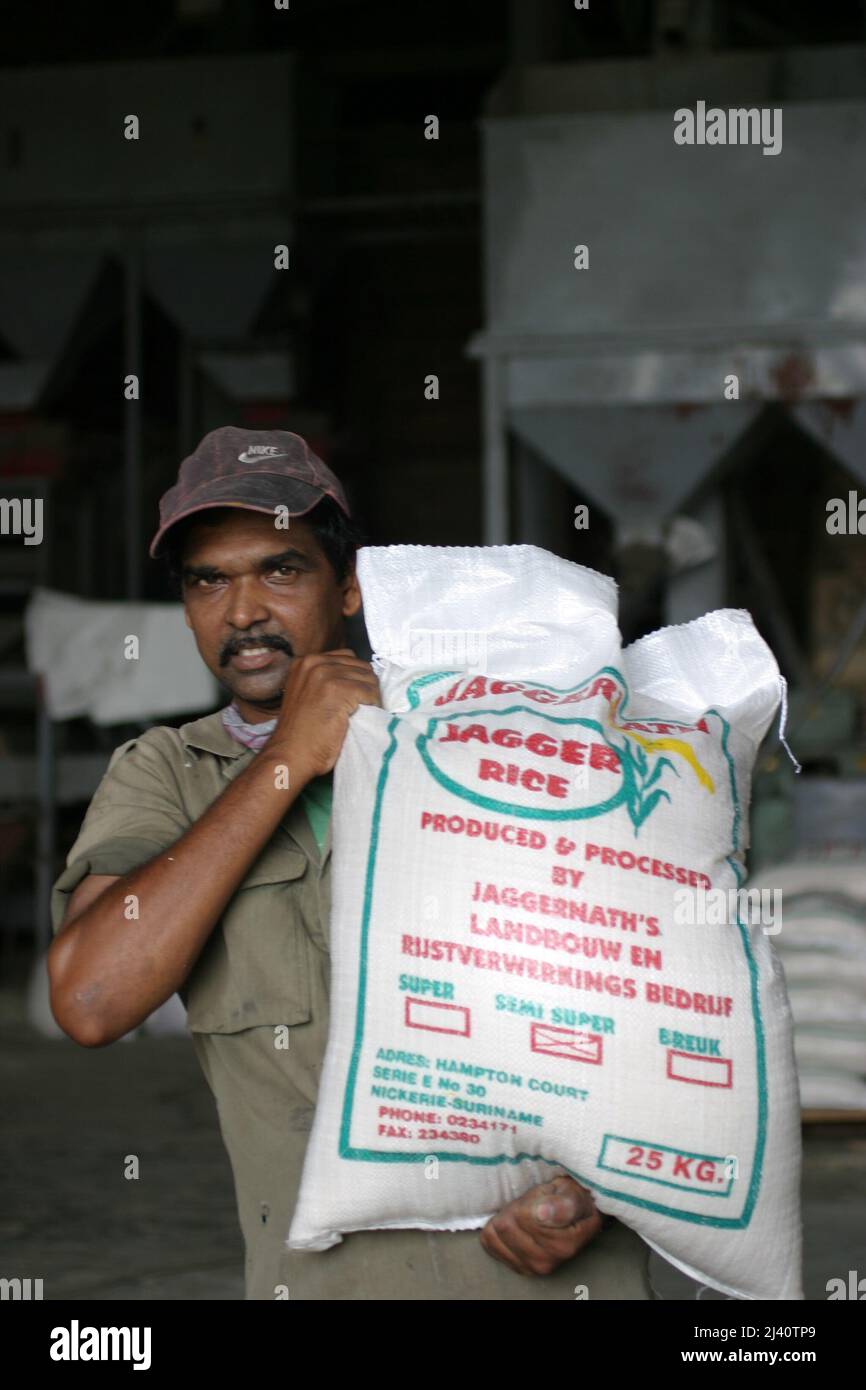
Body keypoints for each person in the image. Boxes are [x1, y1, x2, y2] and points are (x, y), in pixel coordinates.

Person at [47, 426, 655, 1300]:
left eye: (280, 570)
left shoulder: (501, 741)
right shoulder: (165, 779)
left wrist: (596, 1182)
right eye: (209, 581)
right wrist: (286, 759)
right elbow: (92, 1000)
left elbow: (655, 987)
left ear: (351, 587)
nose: (244, 610)